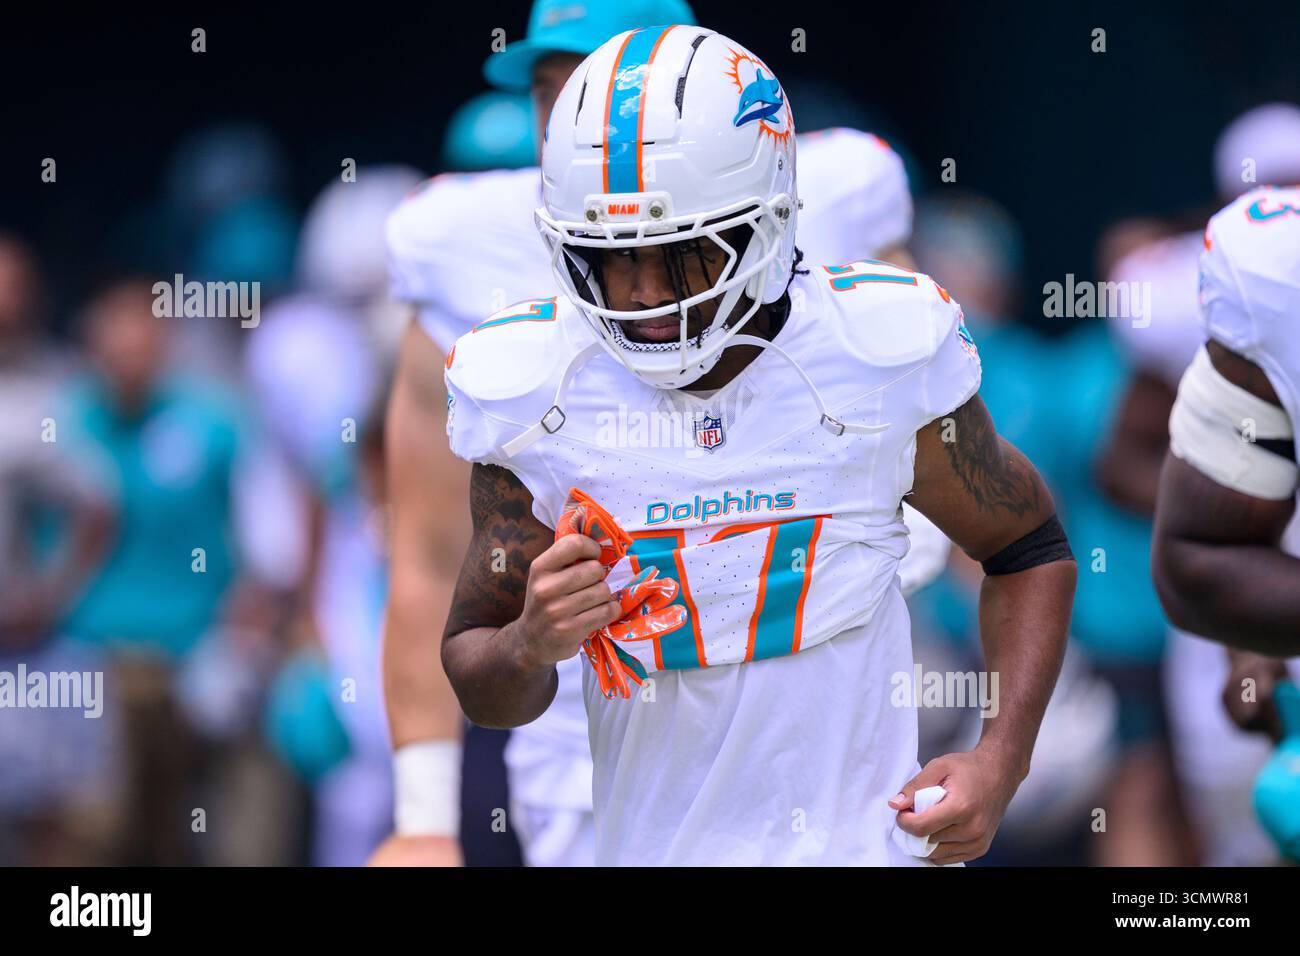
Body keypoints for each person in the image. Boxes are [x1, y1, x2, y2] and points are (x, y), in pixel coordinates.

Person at [438, 25, 1075, 866]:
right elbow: (479, 673)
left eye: (678, 251)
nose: (639, 290)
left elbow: (1028, 547)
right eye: (610, 252)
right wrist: (531, 643)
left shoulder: (870, 355)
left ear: (766, 221)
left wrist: (1003, 757)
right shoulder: (534, 391)